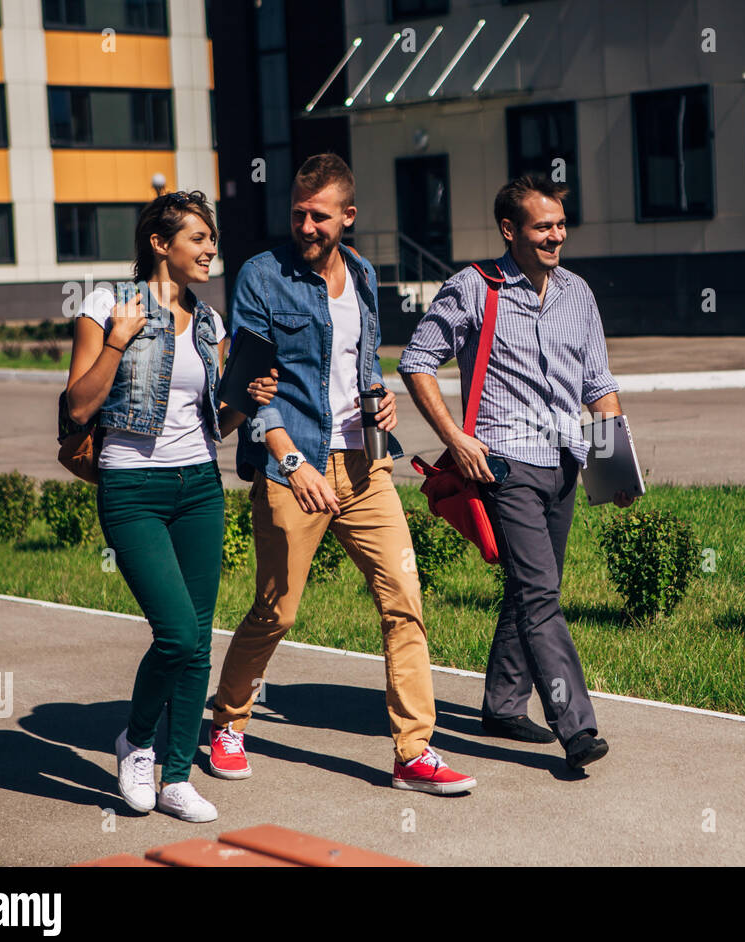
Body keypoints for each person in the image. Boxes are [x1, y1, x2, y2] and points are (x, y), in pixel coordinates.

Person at [208, 153, 475, 796]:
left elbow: (364, 360)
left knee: (404, 601)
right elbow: (251, 382)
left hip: (365, 463)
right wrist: (291, 462)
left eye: (319, 216)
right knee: (277, 609)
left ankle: (414, 751)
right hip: (291, 464)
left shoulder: (360, 273)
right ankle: (228, 722)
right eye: (298, 213)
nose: (305, 226)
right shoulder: (260, 278)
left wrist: (380, 395)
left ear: (347, 217)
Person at [399, 174, 631, 773]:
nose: (556, 236)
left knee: (535, 587)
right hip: (506, 463)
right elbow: (417, 360)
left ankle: (502, 705)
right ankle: (575, 726)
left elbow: (598, 386)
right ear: (510, 231)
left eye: (560, 224)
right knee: (539, 595)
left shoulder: (578, 292)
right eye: (542, 227)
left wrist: (615, 469)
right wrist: (455, 438)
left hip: (566, 463)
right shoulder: (474, 288)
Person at [64, 190, 278, 822]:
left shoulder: (208, 322)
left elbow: (215, 421)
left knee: (199, 639)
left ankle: (177, 776)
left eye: (213, 240)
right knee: (177, 633)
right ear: (161, 244)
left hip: (198, 488)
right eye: (199, 239)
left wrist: (247, 399)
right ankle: (136, 741)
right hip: (131, 488)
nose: (212, 249)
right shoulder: (107, 307)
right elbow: (78, 408)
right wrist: (115, 343)